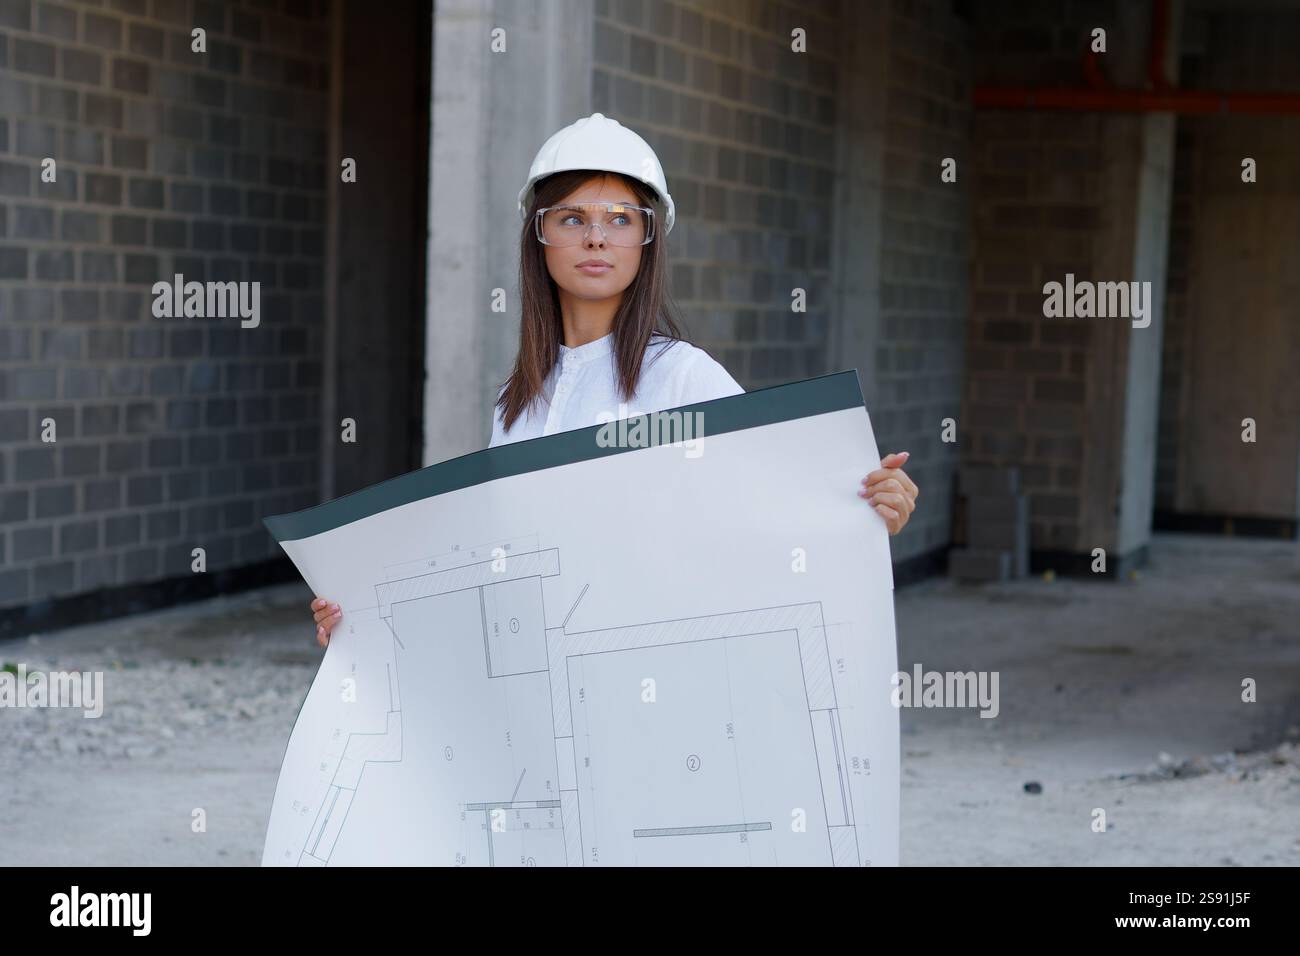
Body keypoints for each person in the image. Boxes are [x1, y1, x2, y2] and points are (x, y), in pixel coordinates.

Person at [311, 113, 919, 647]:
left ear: (647, 240)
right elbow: (491, 562)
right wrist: (363, 614)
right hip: (541, 679)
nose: (597, 236)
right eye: (573, 217)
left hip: (647, 675)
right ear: (539, 237)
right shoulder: (518, 402)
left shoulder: (682, 378)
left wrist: (867, 509)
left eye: (621, 218)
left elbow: (769, 510)